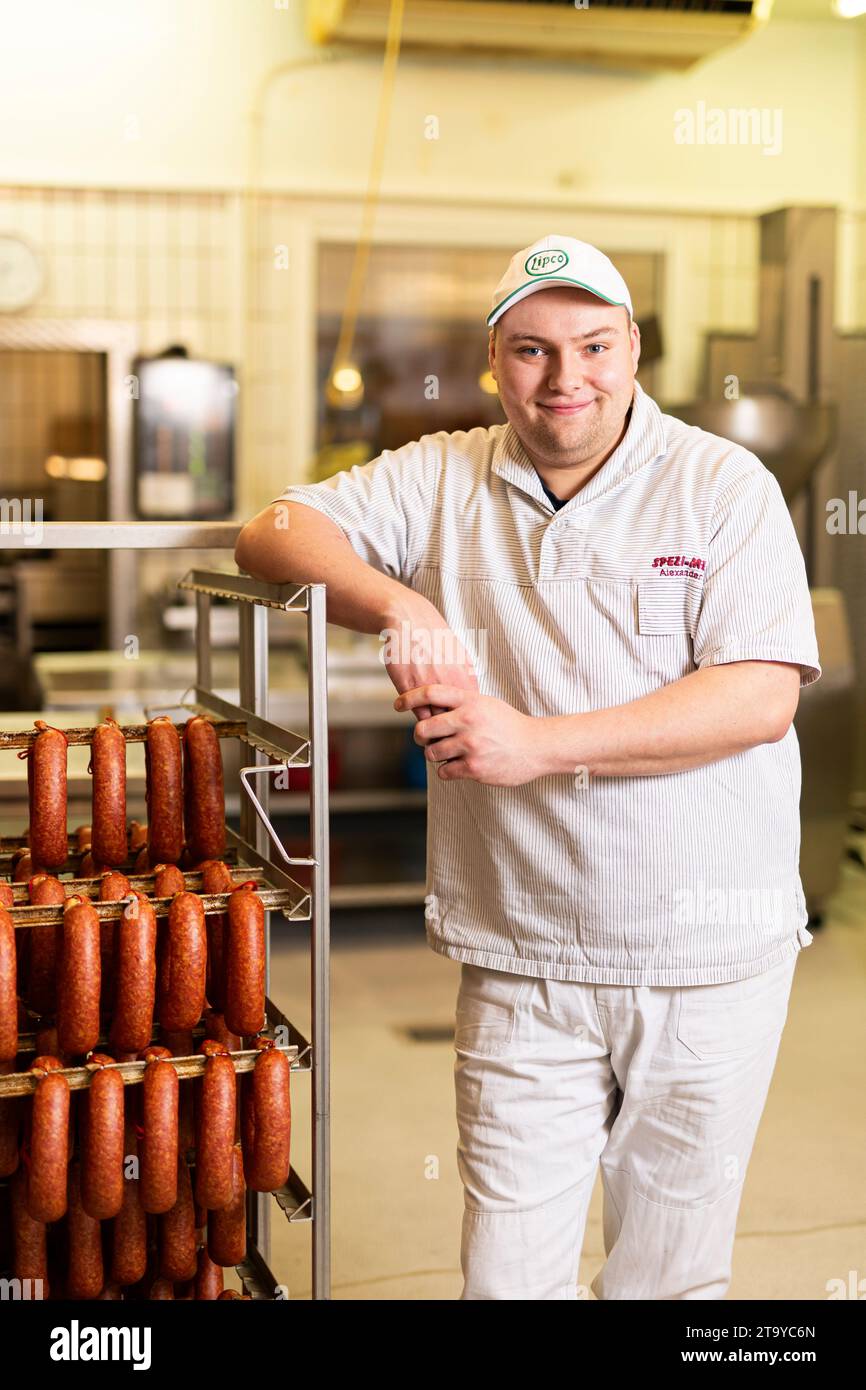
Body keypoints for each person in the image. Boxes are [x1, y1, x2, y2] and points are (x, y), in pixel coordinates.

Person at [235, 233, 822, 1300]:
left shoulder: (718, 486)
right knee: (506, 1281)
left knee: (667, 1278)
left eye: (592, 346)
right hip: (522, 953)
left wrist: (533, 744)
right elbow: (271, 531)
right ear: (491, 359)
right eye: (531, 351)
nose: (565, 380)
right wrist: (399, 601)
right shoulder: (444, 473)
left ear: (632, 347)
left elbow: (759, 695)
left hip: (701, 955)